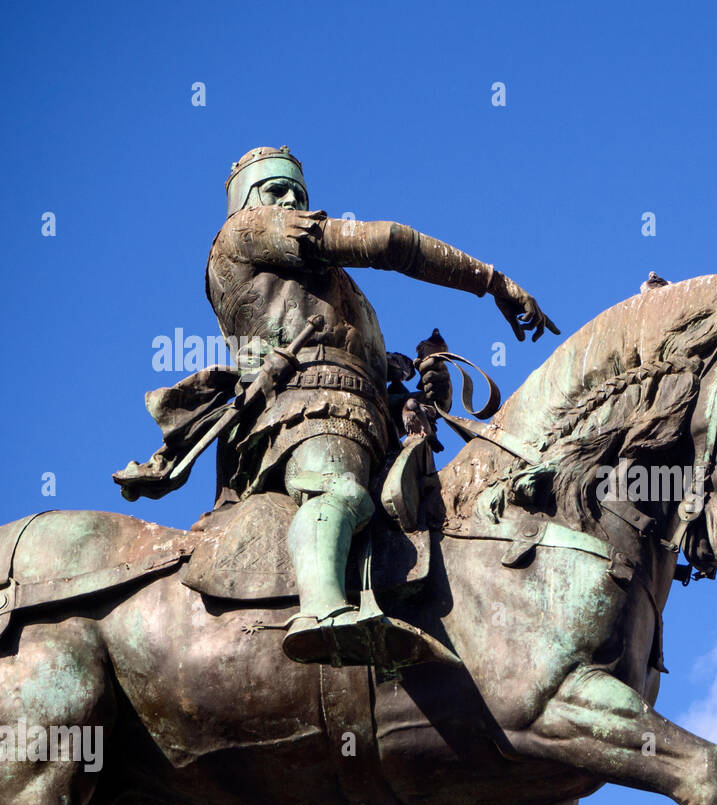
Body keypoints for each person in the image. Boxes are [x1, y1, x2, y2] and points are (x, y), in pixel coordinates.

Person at [115, 146, 558, 666]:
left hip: (364, 416)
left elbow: (368, 372)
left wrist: (413, 396)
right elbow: (391, 242)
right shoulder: (245, 233)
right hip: (303, 409)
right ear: (245, 200)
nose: (289, 198)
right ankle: (320, 613)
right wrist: (490, 281)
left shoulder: (338, 291)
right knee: (341, 491)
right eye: (274, 189)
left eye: (296, 191)